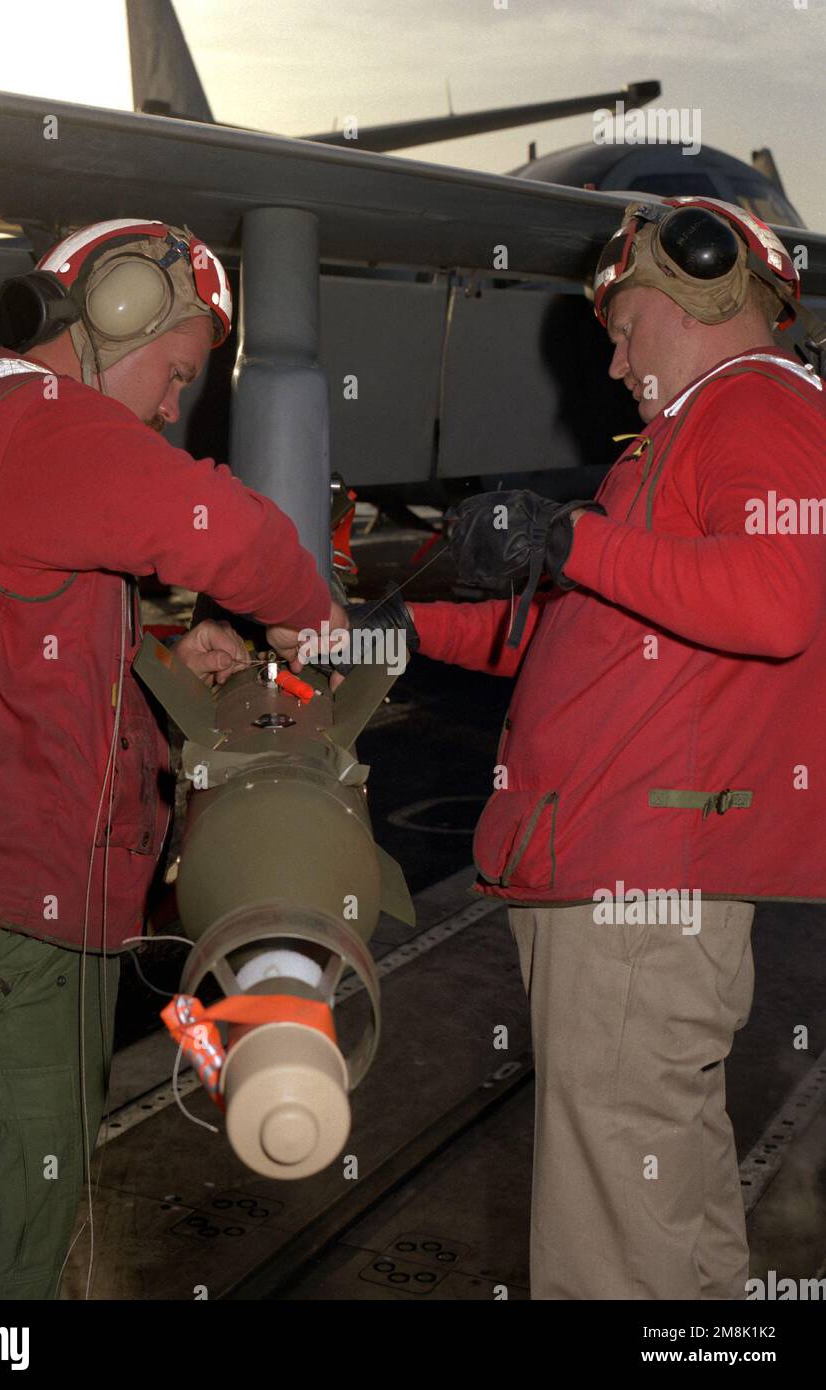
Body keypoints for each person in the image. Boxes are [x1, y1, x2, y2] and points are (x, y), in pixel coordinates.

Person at [327, 197, 825, 1299]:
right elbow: (580, 635)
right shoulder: (694, 432)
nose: (611, 359)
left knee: (611, 1240)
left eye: (621, 320)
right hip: (632, 884)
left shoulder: (755, 406)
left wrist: (568, 534)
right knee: (664, 1208)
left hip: (640, 887)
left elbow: (777, 599)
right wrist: (410, 632)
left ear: (694, 288)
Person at [0, 218, 344, 1298]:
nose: (176, 405)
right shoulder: (34, 421)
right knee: (0, 1270)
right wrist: (308, 612)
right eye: (177, 371)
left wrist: (166, 652)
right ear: (120, 309)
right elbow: (232, 533)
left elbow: (20, 635)